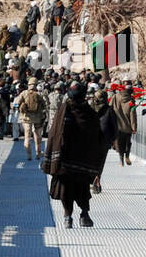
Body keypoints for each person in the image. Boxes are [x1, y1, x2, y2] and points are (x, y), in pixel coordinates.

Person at [44, 81, 105, 228]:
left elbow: (53, 134)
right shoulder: (90, 114)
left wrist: (51, 157)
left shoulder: (64, 111)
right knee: (82, 188)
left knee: (65, 188)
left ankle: (67, 217)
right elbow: (98, 138)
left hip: (65, 160)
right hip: (83, 161)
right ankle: (84, 214)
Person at [18, 78, 48, 160]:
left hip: (26, 118)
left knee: (27, 137)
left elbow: (16, 104)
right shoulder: (39, 94)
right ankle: (38, 153)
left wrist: (19, 109)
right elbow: (45, 105)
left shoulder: (24, 93)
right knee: (38, 135)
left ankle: (29, 155)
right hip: (38, 118)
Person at [110, 82, 136, 164]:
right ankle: (127, 156)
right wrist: (134, 127)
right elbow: (133, 115)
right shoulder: (131, 100)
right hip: (128, 126)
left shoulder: (115, 97)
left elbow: (110, 107)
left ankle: (121, 158)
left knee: (119, 142)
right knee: (128, 142)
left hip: (117, 125)